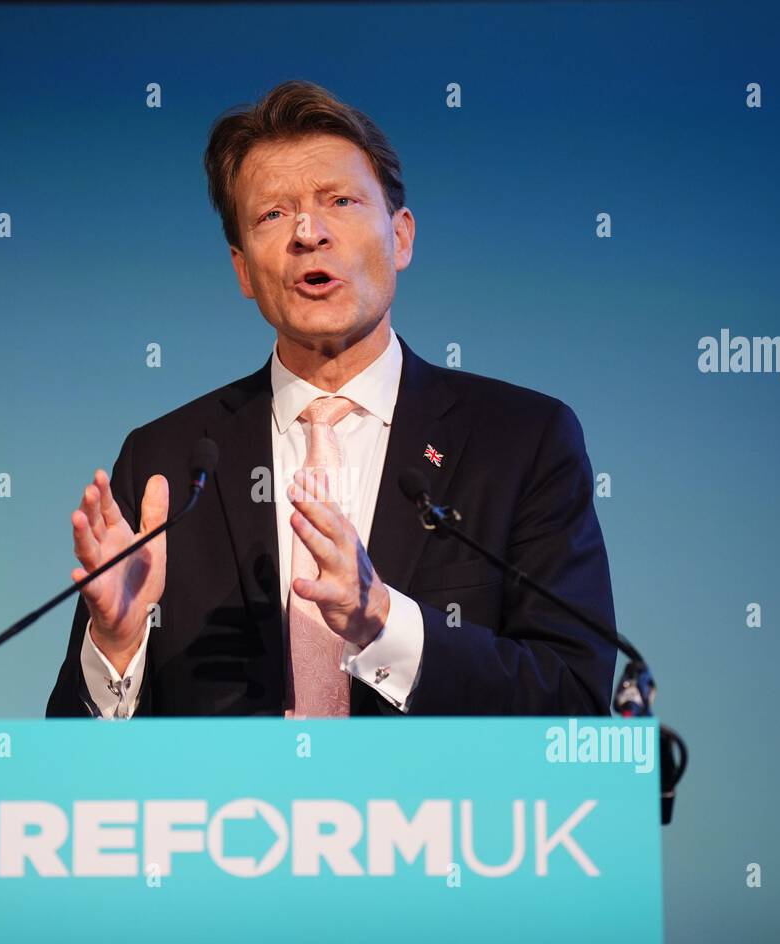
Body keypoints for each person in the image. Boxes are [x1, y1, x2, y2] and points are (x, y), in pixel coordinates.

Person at [47, 80, 616, 721]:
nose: (307, 233)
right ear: (241, 269)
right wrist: (116, 647)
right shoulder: (167, 461)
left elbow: (575, 700)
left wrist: (383, 621)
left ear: (400, 237)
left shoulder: (521, 442)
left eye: (339, 200)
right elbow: (73, 760)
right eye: (271, 215)